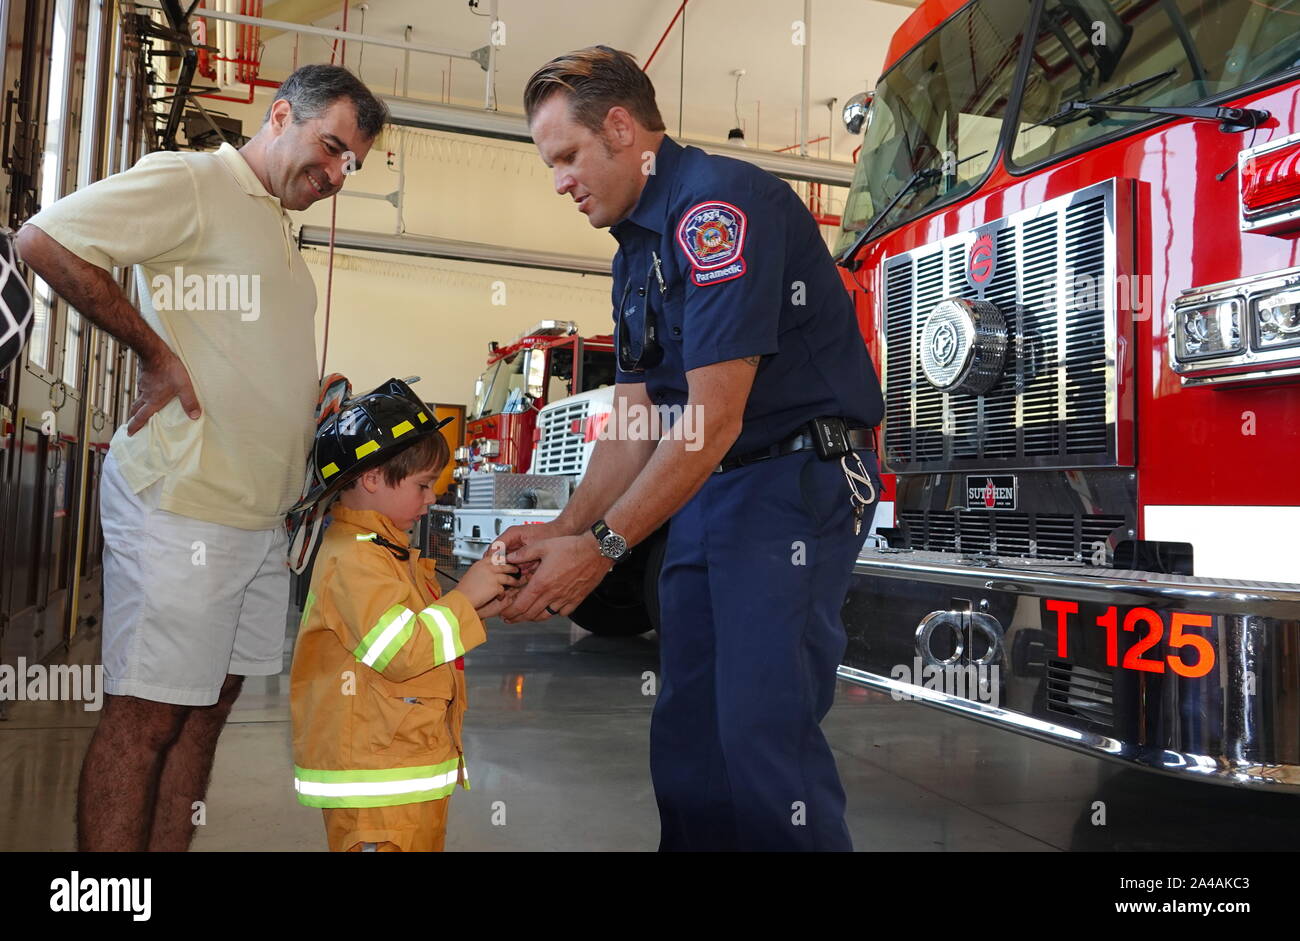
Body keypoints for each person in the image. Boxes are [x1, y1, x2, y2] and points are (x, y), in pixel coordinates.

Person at [500, 46, 885, 852]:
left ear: (620, 127)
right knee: (687, 734)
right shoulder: (635, 251)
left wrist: (603, 548)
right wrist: (567, 528)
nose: (560, 181)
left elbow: (712, 416)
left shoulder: (718, 207)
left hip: (790, 482)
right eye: (549, 165)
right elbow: (638, 417)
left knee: (759, 733)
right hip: (708, 492)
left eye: (567, 157)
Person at [13, 64, 387, 851]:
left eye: (348, 164)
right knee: (146, 717)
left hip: (257, 523)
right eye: (327, 149)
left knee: (204, 715)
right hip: (183, 507)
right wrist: (150, 351)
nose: (333, 175)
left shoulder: (277, 232)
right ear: (279, 114)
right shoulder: (193, 183)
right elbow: (44, 238)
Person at [289, 378, 521, 852]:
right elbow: (402, 653)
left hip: (402, 776)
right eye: (421, 485)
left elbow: (414, 627)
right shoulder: (354, 560)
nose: (430, 498)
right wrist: (466, 595)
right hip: (379, 794)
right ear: (371, 476)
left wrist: (482, 606)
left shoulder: (381, 551)